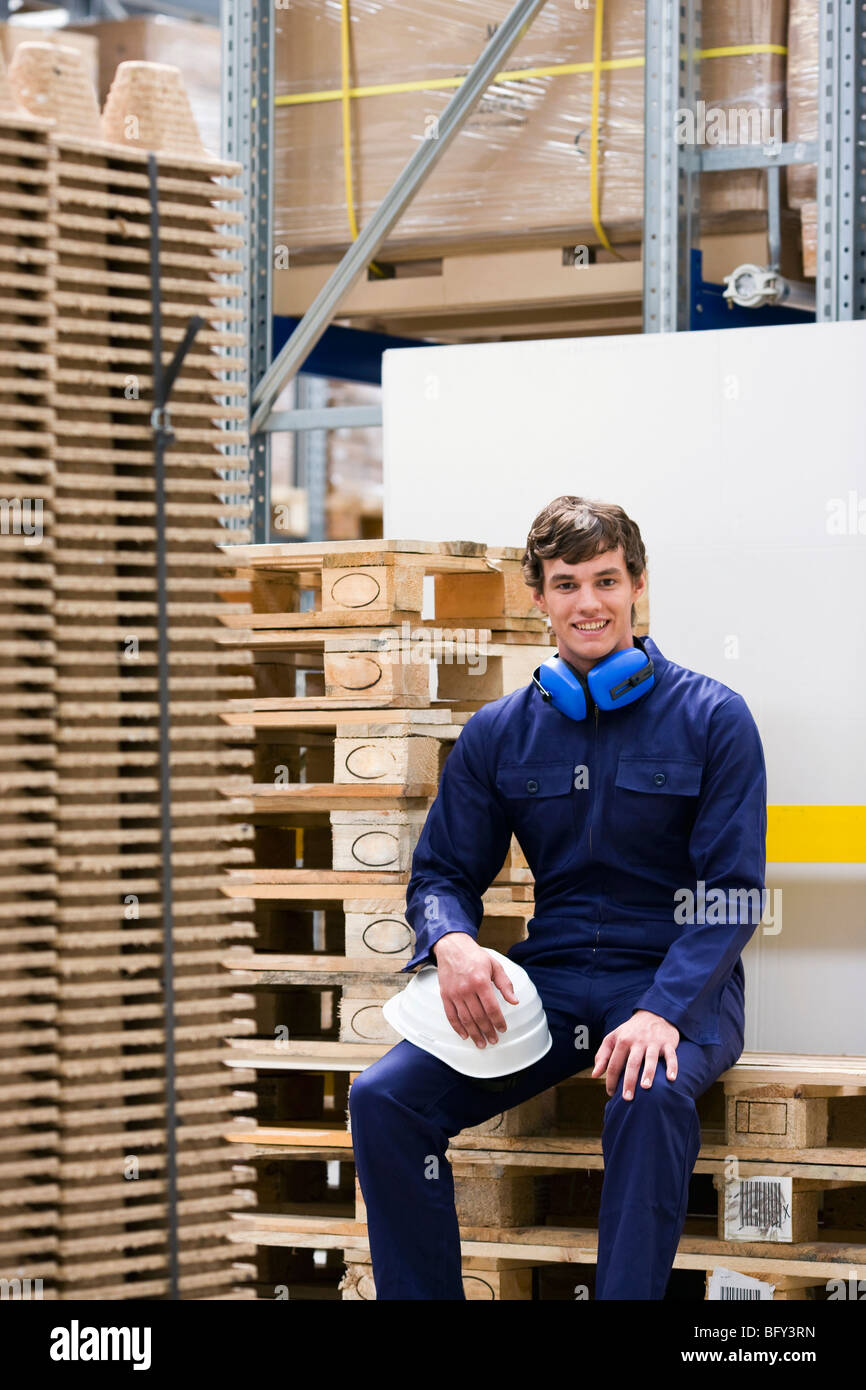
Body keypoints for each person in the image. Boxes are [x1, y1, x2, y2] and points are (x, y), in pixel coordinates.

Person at [349, 495, 768, 1300]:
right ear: (538, 596)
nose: (588, 604)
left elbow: (732, 896)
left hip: (676, 983)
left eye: (606, 581)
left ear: (638, 585)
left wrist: (663, 1011)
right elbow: (440, 874)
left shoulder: (714, 717)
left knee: (647, 1093)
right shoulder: (499, 733)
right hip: (557, 978)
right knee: (385, 1100)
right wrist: (454, 944)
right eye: (567, 583)